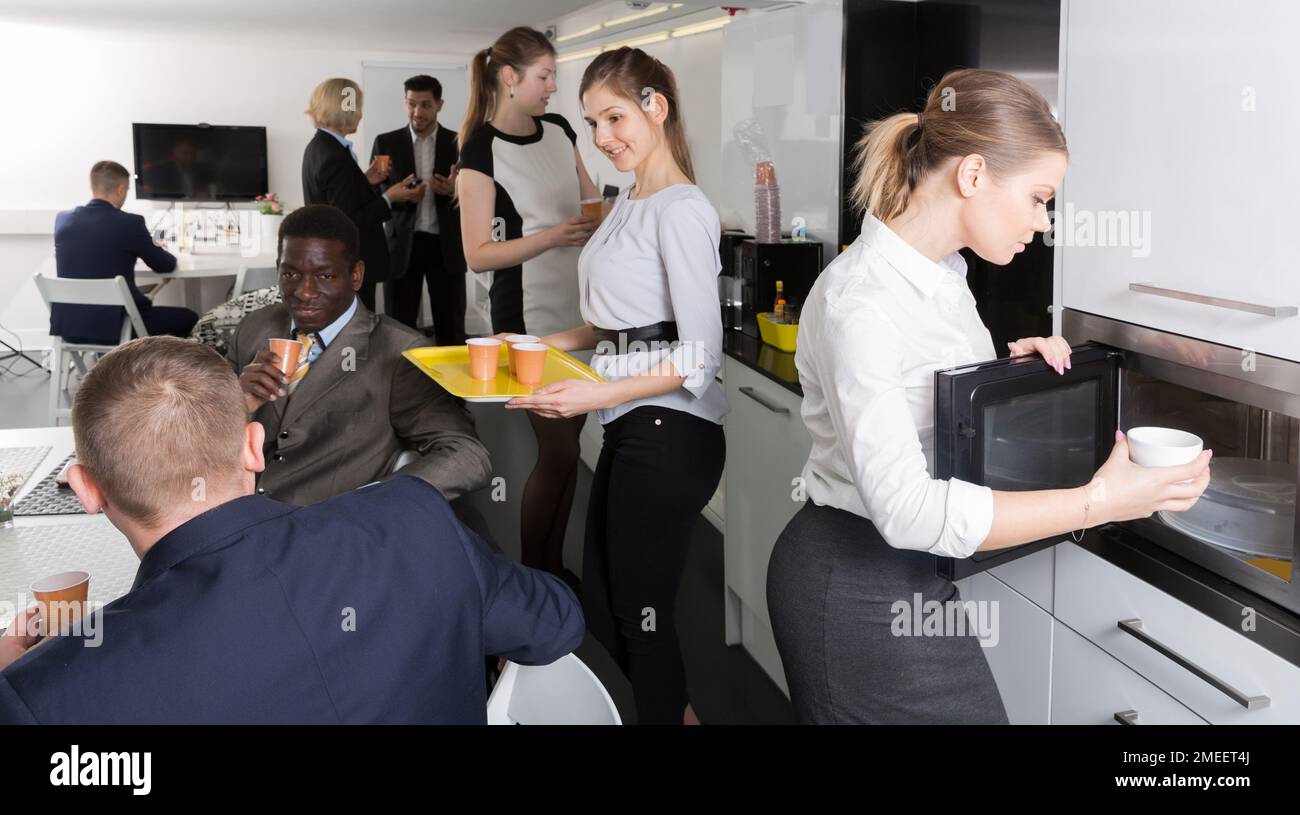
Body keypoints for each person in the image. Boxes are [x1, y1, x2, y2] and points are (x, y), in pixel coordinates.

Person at [765, 69, 1213, 725]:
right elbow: (908, 509)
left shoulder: (944, 276)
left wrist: (1000, 377)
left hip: (914, 577)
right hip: (853, 581)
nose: (1044, 221)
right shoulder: (858, 302)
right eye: (1038, 197)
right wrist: (1101, 501)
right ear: (972, 175)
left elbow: (922, 406)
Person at [0, 336, 584, 724]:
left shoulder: (49, 698)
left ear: (84, 489)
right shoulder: (417, 518)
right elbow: (556, 623)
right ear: (254, 447)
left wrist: (39, 671)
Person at [506, 49, 726, 725]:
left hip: (671, 433)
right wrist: (542, 346)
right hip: (635, 425)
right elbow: (613, 324)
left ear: (656, 107)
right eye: (593, 121)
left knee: (640, 613)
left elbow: (700, 352)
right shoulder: (631, 199)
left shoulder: (682, 208)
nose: (602, 136)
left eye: (615, 116)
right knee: (608, 606)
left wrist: (591, 395)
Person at [227, 204, 491, 507]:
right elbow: (190, 437)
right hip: (235, 516)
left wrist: (371, 504)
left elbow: (468, 455)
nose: (304, 292)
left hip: (329, 531)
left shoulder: (400, 353)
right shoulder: (252, 328)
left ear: (356, 276)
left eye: (325, 275)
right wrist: (233, 402)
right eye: (290, 274)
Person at [456, 26, 601, 577]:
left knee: (566, 449)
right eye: (543, 77)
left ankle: (552, 568)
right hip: (526, 318)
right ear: (510, 78)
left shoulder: (561, 129)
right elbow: (478, 254)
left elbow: (589, 199)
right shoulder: (480, 152)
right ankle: (537, 572)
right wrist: (552, 237)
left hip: (580, 310)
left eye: (553, 78)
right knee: (560, 451)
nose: (551, 89)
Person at [301, 77, 426, 311]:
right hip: (348, 262)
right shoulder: (335, 156)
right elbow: (349, 220)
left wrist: (364, 180)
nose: (360, 115)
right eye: (357, 108)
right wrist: (390, 198)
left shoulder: (320, 148)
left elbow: (338, 199)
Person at [49, 161, 196, 344]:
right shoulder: (129, 223)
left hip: (70, 327)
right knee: (189, 317)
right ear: (120, 189)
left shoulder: (63, 220)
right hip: (118, 327)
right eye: (126, 190)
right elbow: (165, 264)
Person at [371, 75, 467, 344]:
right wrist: (398, 196)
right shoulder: (385, 143)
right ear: (405, 103)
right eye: (412, 104)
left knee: (451, 328)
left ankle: (450, 387)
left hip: (446, 247)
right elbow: (375, 193)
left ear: (439, 105)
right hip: (402, 247)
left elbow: (479, 193)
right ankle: (401, 384)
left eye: (425, 105)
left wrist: (455, 191)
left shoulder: (460, 143)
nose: (417, 112)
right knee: (397, 329)